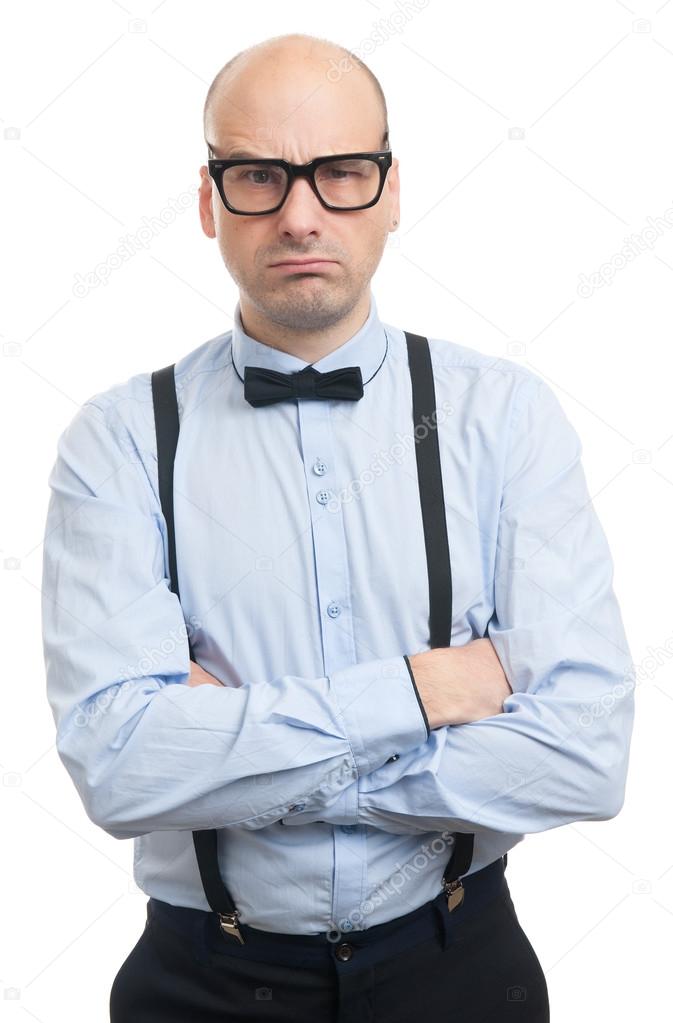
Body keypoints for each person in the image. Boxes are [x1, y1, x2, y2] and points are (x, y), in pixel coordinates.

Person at [41, 31, 634, 1023]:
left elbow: (585, 753)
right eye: (261, 176)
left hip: (462, 972)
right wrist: (423, 690)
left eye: (341, 173)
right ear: (207, 200)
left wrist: (239, 761)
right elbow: (119, 766)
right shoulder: (119, 443)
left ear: (391, 193)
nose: (301, 214)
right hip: (200, 987)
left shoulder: (505, 418)